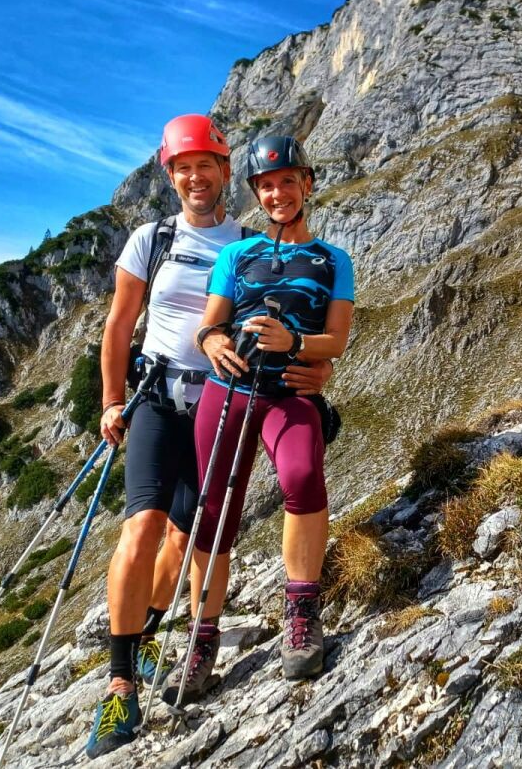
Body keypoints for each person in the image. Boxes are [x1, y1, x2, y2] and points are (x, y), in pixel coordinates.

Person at [85, 116, 331, 759]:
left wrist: (317, 362)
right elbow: (120, 325)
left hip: (228, 402)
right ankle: (119, 683)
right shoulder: (153, 238)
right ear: (170, 177)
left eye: (206, 166)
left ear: (227, 174)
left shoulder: (248, 246)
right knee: (142, 526)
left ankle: (155, 637)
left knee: (190, 531)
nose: (195, 177)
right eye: (182, 168)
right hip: (160, 398)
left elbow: (296, 324)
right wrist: (112, 401)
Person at [160, 134, 354, 708]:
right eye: (266, 185)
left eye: (287, 181)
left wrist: (296, 340)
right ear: (255, 192)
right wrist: (213, 337)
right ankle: (201, 644)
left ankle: (301, 610)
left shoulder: (333, 261)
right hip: (228, 390)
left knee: (300, 478)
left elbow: (336, 340)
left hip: (287, 393)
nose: (277, 193)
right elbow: (210, 324)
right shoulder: (234, 257)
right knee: (214, 509)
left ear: (307, 184)